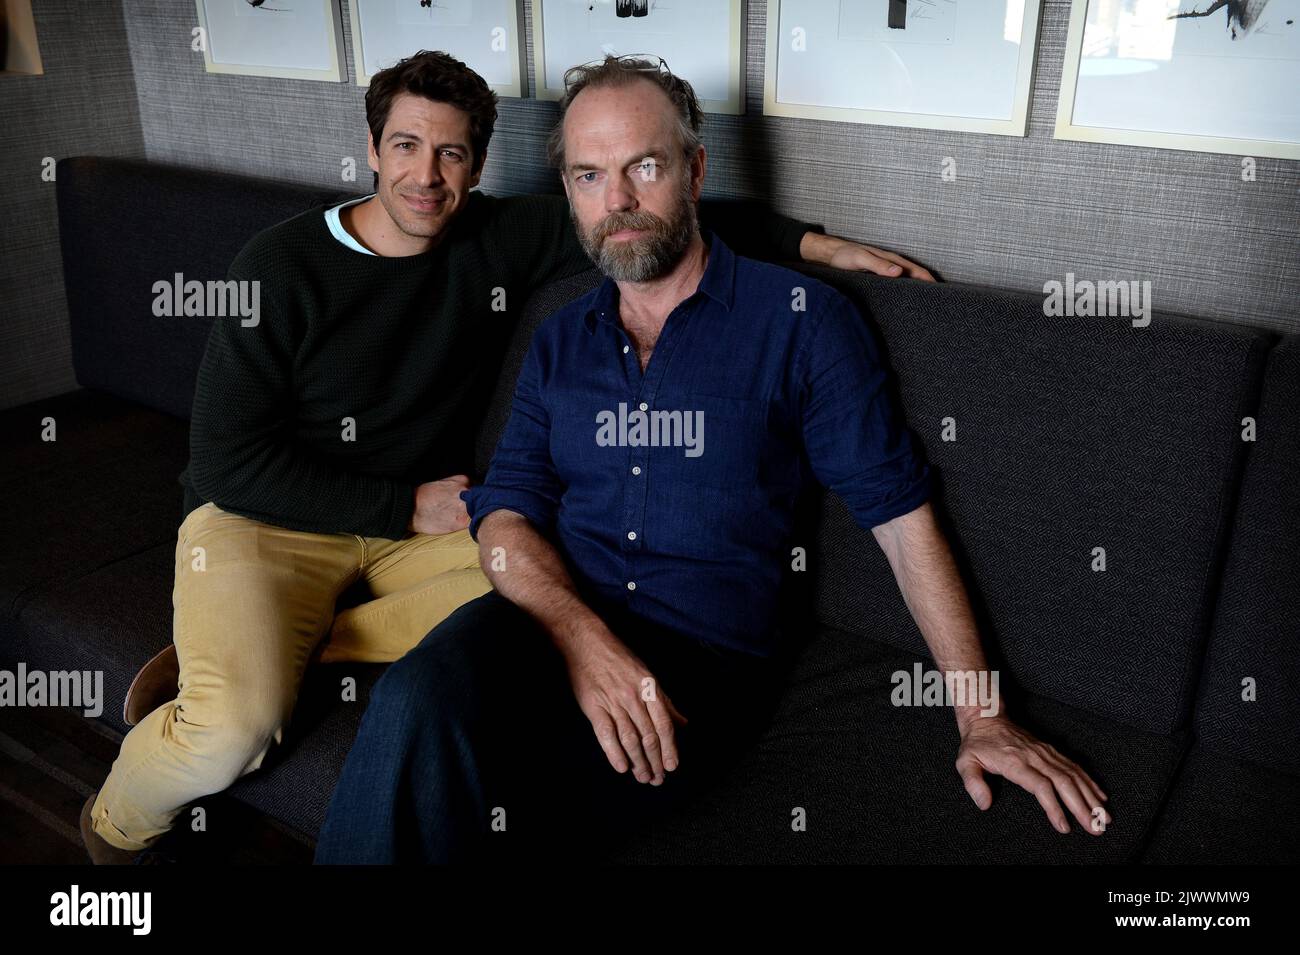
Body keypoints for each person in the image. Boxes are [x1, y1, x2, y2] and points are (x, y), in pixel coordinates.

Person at [80, 50, 934, 864]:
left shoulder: (500, 237)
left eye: (452, 153)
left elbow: (658, 209)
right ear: (371, 148)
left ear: (479, 166)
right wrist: (402, 506)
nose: (427, 176)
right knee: (235, 726)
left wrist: (821, 248)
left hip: (416, 533)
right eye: (406, 146)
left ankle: (294, 644)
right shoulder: (279, 266)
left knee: (534, 576)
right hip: (263, 522)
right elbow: (227, 463)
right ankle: (112, 822)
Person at [313, 56, 1109, 864]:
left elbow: (902, 521)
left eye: (644, 168)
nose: (616, 201)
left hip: (698, 664)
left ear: (695, 170)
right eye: (589, 176)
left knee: (503, 804)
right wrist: (583, 639)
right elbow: (506, 513)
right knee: (413, 694)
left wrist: (980, 715)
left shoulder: (803, 321)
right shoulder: (560, 339)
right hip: (550, 623)